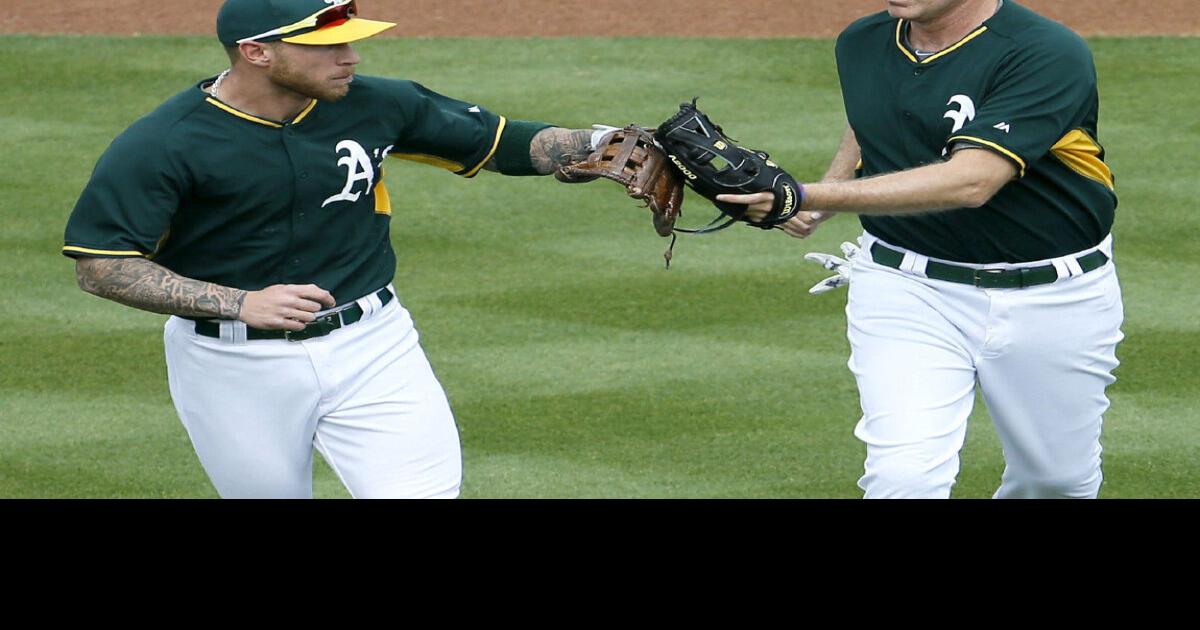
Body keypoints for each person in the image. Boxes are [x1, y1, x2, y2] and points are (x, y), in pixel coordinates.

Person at [63, 0, 612, 498]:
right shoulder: (164, 142)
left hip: (375, 347)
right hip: (232, 364)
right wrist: (238, 302)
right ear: (256, 52)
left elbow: (505, 143)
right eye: (327, 47)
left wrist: (602, 144)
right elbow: (102, 264)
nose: (349, 58)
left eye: (349, 43)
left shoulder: (376, 103)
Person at [720, 0, 1123, 498]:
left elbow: (972, 181)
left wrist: (808, 194)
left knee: (1055, 483)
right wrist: (830, 189)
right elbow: (874, 115)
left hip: (1057, 296)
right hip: (907, 287)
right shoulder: (862, 42)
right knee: (903, 477)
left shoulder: (1044, 52)